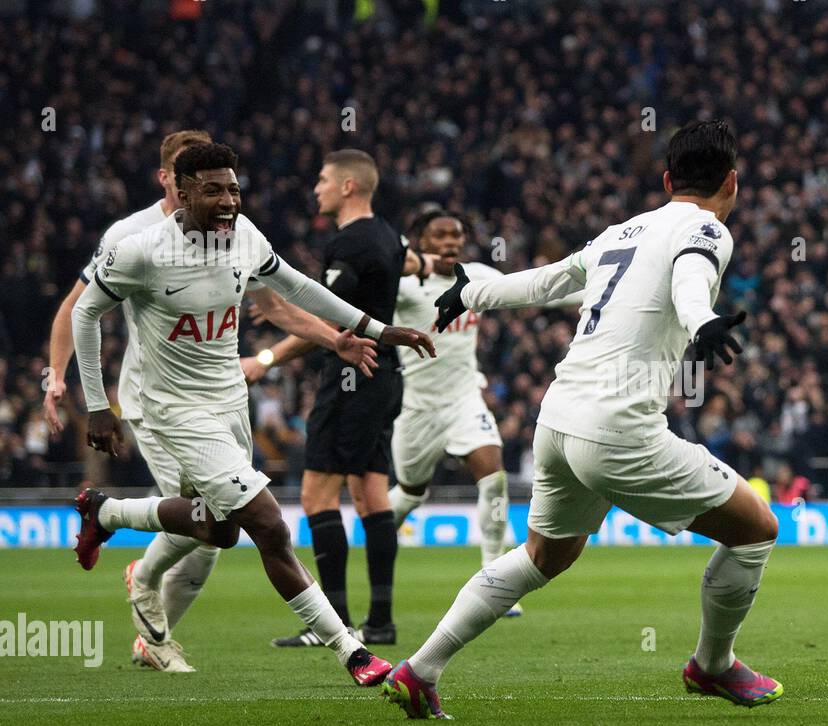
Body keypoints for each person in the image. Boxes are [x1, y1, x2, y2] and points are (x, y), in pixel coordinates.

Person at [380, 120, 784, 719]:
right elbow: (692, 276)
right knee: (756, 528)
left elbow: (546, 282)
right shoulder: (707, 228)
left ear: (668, 179)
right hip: (618, 430)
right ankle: (713, 665)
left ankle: (420, 669)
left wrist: (468, 295)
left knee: (544, 556)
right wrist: (702, 321)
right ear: (732, 182)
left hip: (558, 420)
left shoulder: (620, 231)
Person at [70, 142, 434, 686]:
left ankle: (105, 512)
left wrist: (377, 330)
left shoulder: (245, 237)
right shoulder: (141, 251)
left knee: (216, 531)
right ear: (182, 191)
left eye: (234, 188)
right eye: (213, 189)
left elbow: (298, 288)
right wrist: (99, 406)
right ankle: (352, 652)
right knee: (267, 524)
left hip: (229, 404)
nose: (227, 200)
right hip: (176, 410)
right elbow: (84, 313)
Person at [261, 149, 434, 648]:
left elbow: (335, 321)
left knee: (318, 495)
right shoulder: (389, 235)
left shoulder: (348, 243)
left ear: (348, 187)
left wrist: (266, 358)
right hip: (386, 376)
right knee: (369, 494)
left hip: (352, 374)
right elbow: (412, 262)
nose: (316, 189)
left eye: (322, 180)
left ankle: (331, 624)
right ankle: (380, 621)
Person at [385, 210, 523, 616]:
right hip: (418, 408)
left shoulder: (476, 274)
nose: (450, 243)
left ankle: (493, 578)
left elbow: (532, 289)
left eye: (456, 235)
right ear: (419, 243)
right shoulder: (405, 287)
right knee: (410, 494)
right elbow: (356, 299)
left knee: (493, 477)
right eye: (440, 236)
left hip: (465, 399)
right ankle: (375, 541)